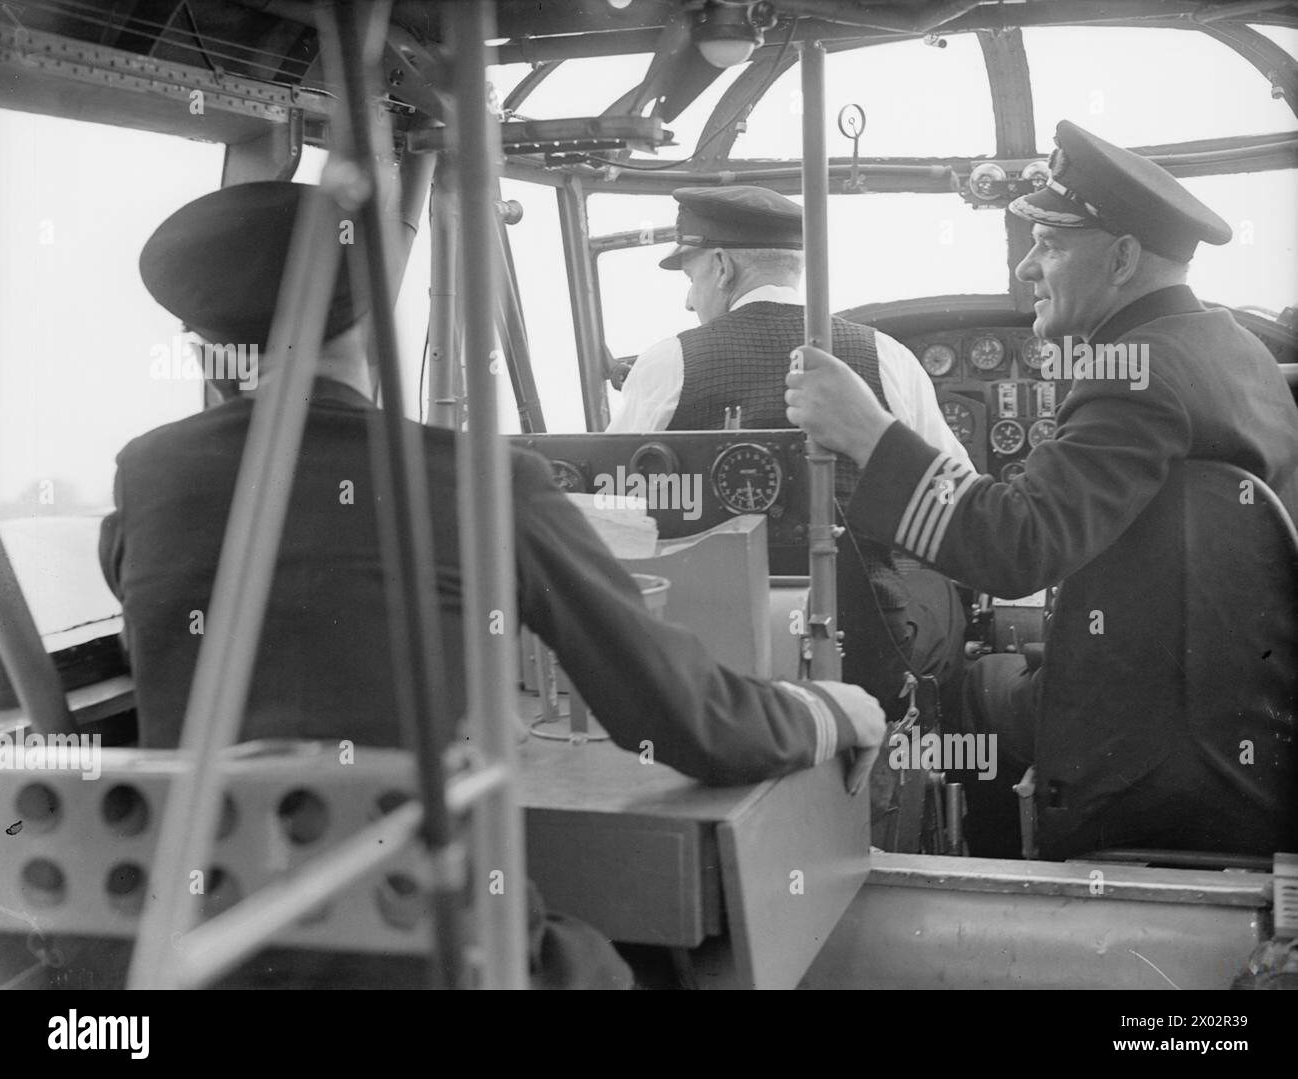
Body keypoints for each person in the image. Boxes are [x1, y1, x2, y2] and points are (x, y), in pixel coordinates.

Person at [98, 181, 887, 986]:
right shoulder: (478, 480)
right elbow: (688, 719)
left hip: (199, 952)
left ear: (204, 350)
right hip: (432, 950)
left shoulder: (145, 476)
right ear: (373, 322)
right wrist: (831, 707)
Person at [784, 120, 1298, 860]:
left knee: (956, 691)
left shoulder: (1136, 371)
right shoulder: (1233, 349)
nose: (1027, 268)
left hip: (1157, 738)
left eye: (1050, 245)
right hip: (1231, 710)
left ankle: (987, 895)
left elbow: (1018, 546)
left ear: (1122, 258)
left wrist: (867, 430)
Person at [611, 185, 970, 844]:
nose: (689, 299)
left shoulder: (668, 363)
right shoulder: (886, 357)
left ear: (720, 266)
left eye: (690, 275)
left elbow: (617, 522)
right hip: (866, 659)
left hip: (711, 677)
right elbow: (958, 507)